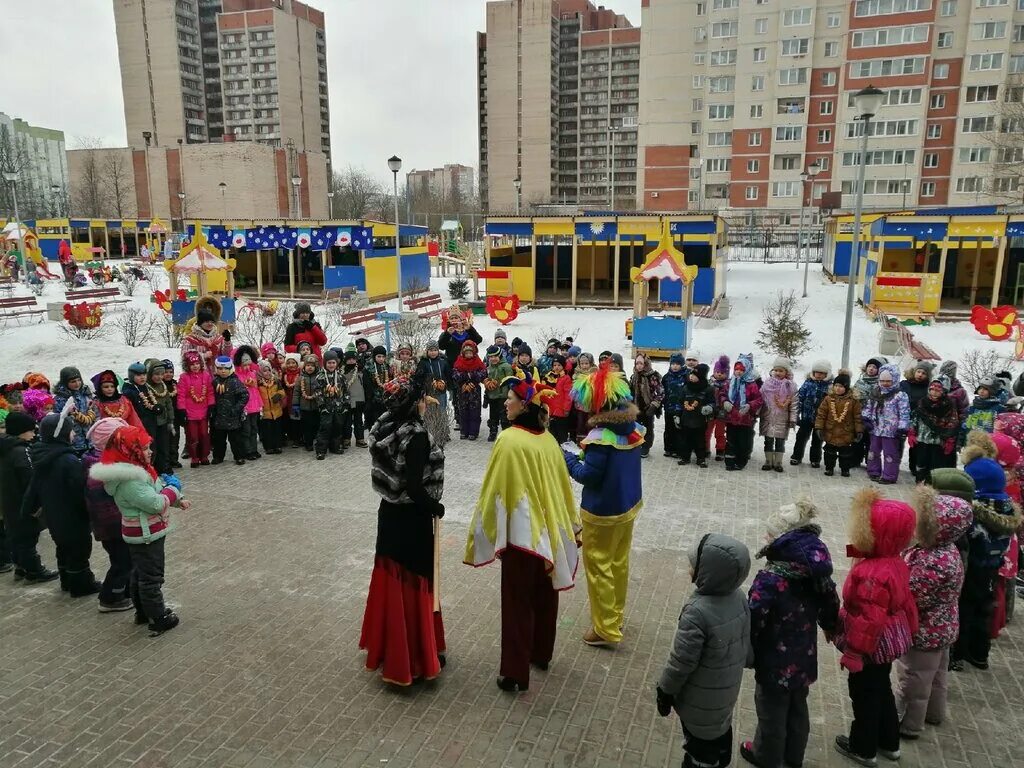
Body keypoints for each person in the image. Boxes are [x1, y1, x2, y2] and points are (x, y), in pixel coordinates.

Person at [465, 371, 581, 692]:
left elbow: (494, 490)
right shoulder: (548, 440)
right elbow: (563, 487)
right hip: (550, 529)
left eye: (511, 400)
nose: (505, 405)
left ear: (525, 404)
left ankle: (515, 672)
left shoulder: (509, 440)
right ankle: (541, 653)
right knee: (545, 595)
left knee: (517, 601)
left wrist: (484, 530)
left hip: (522, 532)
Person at [360, 377, 447, 686]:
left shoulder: (383, 427)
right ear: (413, 404)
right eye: (422, 400)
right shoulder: (417, 436)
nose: (425, 404)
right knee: (413, 582)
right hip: (412, 517)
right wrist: (436, 508)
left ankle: (392, 646)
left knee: (392, 580)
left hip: (389, 513)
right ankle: (413, 656)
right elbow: (413, 484)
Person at [741, 501, 839, 768]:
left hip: (774, 658)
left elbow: (755, 615)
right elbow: (830, 599)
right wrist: (830, 625)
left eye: (770, 536)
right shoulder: (816, 570)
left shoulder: (771, 577)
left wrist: (745, 646)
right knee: (798, 709)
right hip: (804, 655)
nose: (765, 538)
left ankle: (766, 756)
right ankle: (793, 758)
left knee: (771, 712)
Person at [833, 489, 917, 766]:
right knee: (881, 689)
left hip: (870, 646)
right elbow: (908, 604)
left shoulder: (871, 575)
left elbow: (870, 620)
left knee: (864, 695)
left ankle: (863, 747)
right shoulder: (895, 561)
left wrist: (854, 653)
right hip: (888, 643)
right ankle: (888, 741)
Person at [563, 367, 644, 647]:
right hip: (628, 505)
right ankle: (615, 616)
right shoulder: (630, 427)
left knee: (599, 567)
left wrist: (568, 459)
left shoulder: (601, 437)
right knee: (618, 563)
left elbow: (588, 476)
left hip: (603, 511)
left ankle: (605, 628)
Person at [656, 534, 751, 768]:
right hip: (725, 693)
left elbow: (681, 661)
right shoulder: (738, 597)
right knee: (719, 732)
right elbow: (745, 643)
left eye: (693, 565)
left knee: (699, 749)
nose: (689, 568)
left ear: (710, 572)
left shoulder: (697, 612)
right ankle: (720, 758)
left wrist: (665, 690)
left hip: (700, 699)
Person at [89, 425, 190, 634]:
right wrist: (173, 491)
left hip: (146, 531)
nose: (150, 452)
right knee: (151, 577)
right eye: (144, 448)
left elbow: (157, 488)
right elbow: (154, 503)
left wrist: (177, 500)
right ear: (130, 450)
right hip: (145, 534)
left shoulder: (138, 470)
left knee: (140, 572)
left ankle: (144, 611)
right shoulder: (130, 480)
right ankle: (157, 617)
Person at [895, 481, 971, 739]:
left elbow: (914, 595)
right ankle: (934, 714)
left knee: (914, 679)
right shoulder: (946, 550)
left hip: (924, 630)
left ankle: (909, 724)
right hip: (944, 627)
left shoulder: (933, 561)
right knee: (936, 675)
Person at [956, 430, 1021, 670]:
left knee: (964, 608)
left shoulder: (974, 511)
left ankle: (958, 653)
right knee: (984, 607)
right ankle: (980, 654)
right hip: (993, 567)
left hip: (971, 567)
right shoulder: (1006, 509)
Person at [22, 405, 100, 596]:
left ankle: (66, 580)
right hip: (73, 516)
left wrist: (28, 509)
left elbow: (33, 487)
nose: (73, 433)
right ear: (62, 435)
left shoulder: (42, 456)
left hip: (53, 515)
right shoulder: (69, 461)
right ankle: (81, 585)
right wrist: (91, 511)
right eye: (71, 430)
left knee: (63, 548)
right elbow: (79, 490)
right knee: (79, 551)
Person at [82, 417, 134, 612]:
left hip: (113, 523)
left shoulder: (104, 462)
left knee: (125, 559)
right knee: (122, 561)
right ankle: (110, 597)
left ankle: (125, 590)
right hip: (112, 525)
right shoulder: (102, 468)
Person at [0, 411, 57, 583]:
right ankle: (34, 570)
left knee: (17, 536)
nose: (34, 434)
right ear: (21, 431)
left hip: (9, 501)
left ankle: (21, 566)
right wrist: (36, 504)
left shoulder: (6, 448)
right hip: (22, 502)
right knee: (28, 538)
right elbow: (29, 479)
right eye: (31, 430)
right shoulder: (21, 451)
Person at [863, 363, 910, 485]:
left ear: (894, 380)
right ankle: (873, 471)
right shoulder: (875, 392)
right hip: (876, 428)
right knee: (873, 451)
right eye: (882, 380)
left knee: (890, 453)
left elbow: (904, 412)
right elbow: (869, 406)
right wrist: (866, 418)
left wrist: (902, 427)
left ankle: (889, 475)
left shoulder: (900, 395)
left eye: (888, 381)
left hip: (891, 430)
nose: (884, 383)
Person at [909, 375, 959, 484]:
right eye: (932, 390)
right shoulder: (922, 402)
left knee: (935, 463)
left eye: (937, 390)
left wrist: (950, 438)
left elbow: (953, 422)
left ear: (944, 391)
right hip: (922, 438)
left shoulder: (948, 405)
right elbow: (915, 417)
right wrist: (912, 432)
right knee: (921, 461)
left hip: (938, 440)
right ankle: (920, 481)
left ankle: (932, 483)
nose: (934, 393)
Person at [721, 353, 763, 472]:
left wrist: (749, 406)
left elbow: (759, 399)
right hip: (731, 418)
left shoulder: (751, 384)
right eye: (736, 369)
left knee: (743, 441)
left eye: (741, 369)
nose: (738, 372)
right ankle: (729, 460)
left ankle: (740, 461)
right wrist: (725, 402)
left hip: (745, 419)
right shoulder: (730, 382)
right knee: (730, 439)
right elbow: (722, 394)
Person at [814, 371, 862, 477]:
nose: (837, 388)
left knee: (845, 453)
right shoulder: (828, 399)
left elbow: (857, 417)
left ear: (846, 387)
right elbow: (821, 415)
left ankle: (845, 469)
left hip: (846, 432)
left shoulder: (853, 401)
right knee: (829, 452)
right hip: (830, 431)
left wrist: (859, 431)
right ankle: (829, 468)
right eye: (836, 386)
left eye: (840, 386)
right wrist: (819, 427)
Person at [135, 360, 176, 476]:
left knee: (164, 446)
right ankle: (152, 468)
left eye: (161, 374)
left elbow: (168, 404)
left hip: (163, 422)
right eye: (156, 374)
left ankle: (164, 467)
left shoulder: (163, 386)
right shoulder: (145, 388)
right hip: (151, 423)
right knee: (153, 447)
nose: (159, 377)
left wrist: (171, 420)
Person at [759, 358, 799, 474]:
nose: (777, 373)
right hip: (768, 417)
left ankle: (778, 462)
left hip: (782, 419)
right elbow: (760, 399)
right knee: (768, 440)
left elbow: (794, 404)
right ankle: (768, 461)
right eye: (776, 370)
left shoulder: (790, 386)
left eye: (781, 370)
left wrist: (792, 419)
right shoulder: (767, 384)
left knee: (780, 442)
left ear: (786, 372)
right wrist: (756, 412)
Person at [790, 360, 832, 467]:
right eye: (816, 372)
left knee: (817, 440)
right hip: (806, 417)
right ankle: (796, 456)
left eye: (821, 373)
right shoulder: (808, 383)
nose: (818, 375)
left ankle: (815, 459)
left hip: (821, 419)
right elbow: (799, 399)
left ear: (827, 374)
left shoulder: (830, 386)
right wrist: (797, 414)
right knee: (801, 438)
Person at [177, 351, 215, 467]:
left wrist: (211, 406)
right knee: (192, 436)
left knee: (204, 434)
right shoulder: (184, 378)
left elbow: (210, 392)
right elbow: (181, 395)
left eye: (197, 363)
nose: (195, 366)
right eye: (192, 364)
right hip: (190, 413)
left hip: (203, 411)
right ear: (187, 366)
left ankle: (204, 456)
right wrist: (182, 409)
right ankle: (194, 457)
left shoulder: (206, 376)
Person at [210, 356, 249, 465]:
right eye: (220, 369)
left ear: (230, 368)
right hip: (218, 417)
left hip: (233, 417)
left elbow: (245, 395)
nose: (223, 371)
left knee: (236, 440)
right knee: (218, 440)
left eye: (226, 369)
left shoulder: (235, 382)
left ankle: (239, 456)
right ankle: (218, 457)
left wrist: (237, 409)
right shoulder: (214, 382)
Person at [51, 366, 99, 455]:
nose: (77, 384)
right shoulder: (61, 399)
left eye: (79, 380)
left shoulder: (86, 394)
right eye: (73, 382)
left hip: (90, 439)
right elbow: (60, 419)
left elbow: (95, 413)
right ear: (65, 382)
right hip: (74, 441)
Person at [900, 361, 936, 477]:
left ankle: (913, 466)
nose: (920, 375)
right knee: (898, 442)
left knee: (915, 444)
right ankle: (894, 463)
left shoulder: (928, 388)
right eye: (919, 371)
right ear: (914, 371)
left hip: (918, 421)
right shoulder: (904, 384)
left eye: (924, 373)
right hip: (902, 418)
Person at [180, 297, 232, 375]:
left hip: (217, 375)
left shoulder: (218, 338)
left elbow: (226, 355)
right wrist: (203, 356)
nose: (210, 324)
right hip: (198, 375)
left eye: (212, 321)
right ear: (200, 323)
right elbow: (185, 357)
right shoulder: (190, 339)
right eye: (207, 321)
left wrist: (227, 341)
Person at [676, 363, 715, 468]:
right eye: (691, 375)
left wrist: (709, 408)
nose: (691, 376)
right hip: (686, 419)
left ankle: (701, 458)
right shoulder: (686, 388)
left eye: (694, 375)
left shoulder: (708, 389)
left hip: (700, 420)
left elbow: (712, 402)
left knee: (700, 440)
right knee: (685, 440)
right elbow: (680, 402)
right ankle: (685, 457)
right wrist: (677, 415)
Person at [852, 356, 887, 466]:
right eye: (869, 366)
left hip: (874, 418)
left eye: (874, 367)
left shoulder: (881, 384)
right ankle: (855, 459)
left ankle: (870, 461)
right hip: (859, 415)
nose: (871, 369)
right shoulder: (860, 381)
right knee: (857, 438)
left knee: (870, 441)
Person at [314, 349, 349, 460]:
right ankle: (321, 450)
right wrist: (322, 405)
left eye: (333, 362)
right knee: (325, 428)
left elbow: (346, 391)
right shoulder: (320, 376)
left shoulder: (340, 376)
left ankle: (335, 446)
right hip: (326, 408)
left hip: (339, 407)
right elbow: (317, 392)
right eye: (329, 363)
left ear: (337, 363)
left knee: (338, 427)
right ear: (325, 363)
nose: (331, 365)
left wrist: (346, 404)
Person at [416, 341, 451, 448]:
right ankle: (430, 432)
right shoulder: (423, 362)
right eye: (431, 350)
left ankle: (443, 432)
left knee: (441, 410)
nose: (433, 352)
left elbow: (448, 375)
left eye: (435, 350)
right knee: (430, 412)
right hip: (429, 392)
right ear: (427, 351)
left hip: (441, 391)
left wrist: (447, 384)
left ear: (438, 351)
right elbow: (419, 376)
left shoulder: (443, 361)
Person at [629, 353, 663, 460]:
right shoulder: (634, 376)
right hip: (636, 407)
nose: (639, 366)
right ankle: (637, 444)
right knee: (636, 427)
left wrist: (654, 405)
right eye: (637, 363)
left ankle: (646, 446)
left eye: (641, 363)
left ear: (646, 364)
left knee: (648, 428)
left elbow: (660, 392)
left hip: (648, 407)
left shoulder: (652, 376)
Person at [451, 340, 486, 440]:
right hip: (462, 390)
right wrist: (464, 377)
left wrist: (474, 376)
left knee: (474, 412)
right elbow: (455, 374)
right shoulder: (459, 362)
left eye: (470, 353)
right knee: (463, 411)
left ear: (474, 353)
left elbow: (483, 373)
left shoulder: (478, 362)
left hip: (474, 390)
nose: (468, 355)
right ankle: (464, 431)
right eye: (466, 353)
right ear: (463, 353)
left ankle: (473, 432)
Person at [233, 346, 263, 461]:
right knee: (246, 430)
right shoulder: (237, 376)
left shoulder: (253, 373)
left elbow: (256, 391)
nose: (246, 367)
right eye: (244, 365)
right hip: (245, 407)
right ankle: (247, 450)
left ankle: (254, 449)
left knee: (254, 429)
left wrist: (260, 405)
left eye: (248, 365)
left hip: (254, 407)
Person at [483, 345, 513, 442]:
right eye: (491, 357)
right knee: (493, 415)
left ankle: (506, 433)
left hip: (503, 395)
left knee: (504, 415)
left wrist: (510, 394)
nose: (493, 359)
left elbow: (510, 380)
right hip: (492, 395)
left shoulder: (506, 366)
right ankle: (493, 431)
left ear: (500, 356)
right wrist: (487, 384)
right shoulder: (489, 368)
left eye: (495, 356)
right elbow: (487, 378)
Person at [662, 353, 687, 459]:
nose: (675, 366)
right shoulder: (666, 377)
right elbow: (662, 391)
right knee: (668, 429)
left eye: (677, 364)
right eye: (673, 364)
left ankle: (678, 449)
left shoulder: (686, 376)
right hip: (669, 408)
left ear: (682, 365)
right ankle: (668, 448)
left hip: (680, 409)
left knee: (679, 430)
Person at [543, 354, 573, 444]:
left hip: (561, 411)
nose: (556, 367)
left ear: (563, 366)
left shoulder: (566, 378)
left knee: (561, 434)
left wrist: (566, 408)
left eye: (559, 365)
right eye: (555, 365)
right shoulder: (549, 377)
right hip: (551, 410)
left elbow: (568, 395)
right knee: (552, 434)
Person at [257, 360, 285, 455]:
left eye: (269, 370)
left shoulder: (276, 381)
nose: (267, 373)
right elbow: (257, 396)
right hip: (265, 412)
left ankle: (278, 445)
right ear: (260, 372)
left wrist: (278, 395)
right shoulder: (258, 384)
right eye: (264, 371)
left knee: (277, 430)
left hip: (276, 410)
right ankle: (268, 447)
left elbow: (282, 391)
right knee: (267, 431)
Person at [341, 347, 367, 448]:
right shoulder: (342, 371)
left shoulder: (361, 370)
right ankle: (346, 439)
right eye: (349, 359)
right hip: (347, 399)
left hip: (359, 399)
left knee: (358, 421)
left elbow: (365, 384)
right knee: (347, 421)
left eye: (353, 358)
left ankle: (360, 439)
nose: (351, 360)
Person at [364, 346, 393, 430]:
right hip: (373, 399)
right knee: (374, 421)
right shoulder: (368, 368)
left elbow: (389, 380)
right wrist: (371, 397)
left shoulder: (386, 366)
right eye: (379, 356)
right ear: (374, 356)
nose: (381, 359)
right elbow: (367, 385)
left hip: (385, 398)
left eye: (383, 357)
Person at [706, 355, 729, 461]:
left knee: (720, 432)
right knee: (707, 431)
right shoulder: (709, 383)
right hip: (710, 411)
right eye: (717, 372)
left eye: (722, 373)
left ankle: (720, 450)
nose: (719, 374)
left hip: (721, 412)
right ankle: (705, 448)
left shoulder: (728, 384)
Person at [297, 354, 321, 450]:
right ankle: (308, 443)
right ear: (304, 366)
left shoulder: (319, 377)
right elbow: (296, 392)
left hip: (316, 406)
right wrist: (295, 404)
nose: (310, 367)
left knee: (316, 425)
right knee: (307, 426)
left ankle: (317, 442)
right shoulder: (300, 378)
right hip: (305, 407)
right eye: (307, 365)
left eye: (312, 365)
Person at [281, 352, 303, 447]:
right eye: (288, 363)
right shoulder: (284, 375)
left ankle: (298, 438)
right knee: (290, 420)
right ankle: (292, 437)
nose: (291, 365)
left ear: (297, 364)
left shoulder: (301, 375)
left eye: (293, 363)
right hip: (288, 401)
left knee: (297, 420)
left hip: (298, 402)